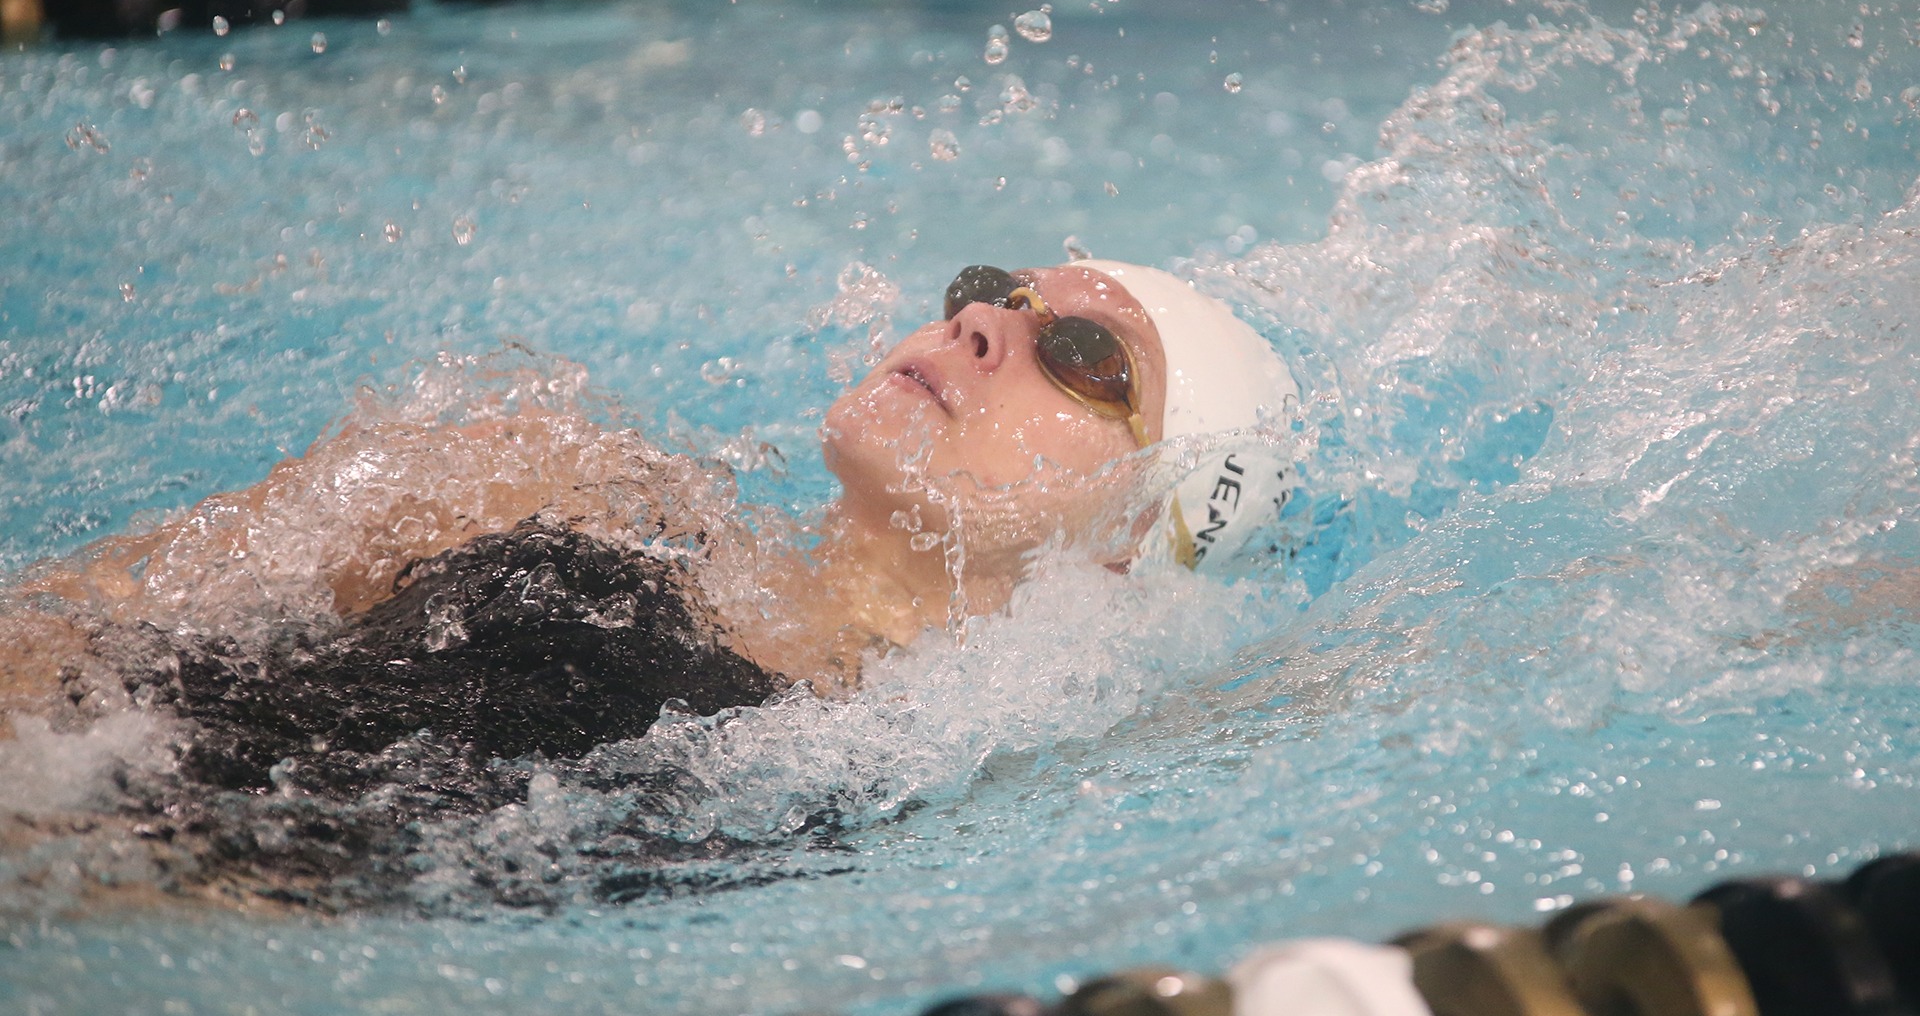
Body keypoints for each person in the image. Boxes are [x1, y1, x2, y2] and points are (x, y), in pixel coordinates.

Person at [0, 261, 1301, 908]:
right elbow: (74, 623)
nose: (982, 326)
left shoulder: (925, 772)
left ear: (1141, 530)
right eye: (987, 292)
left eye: (1081, 354)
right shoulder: (562, 477)